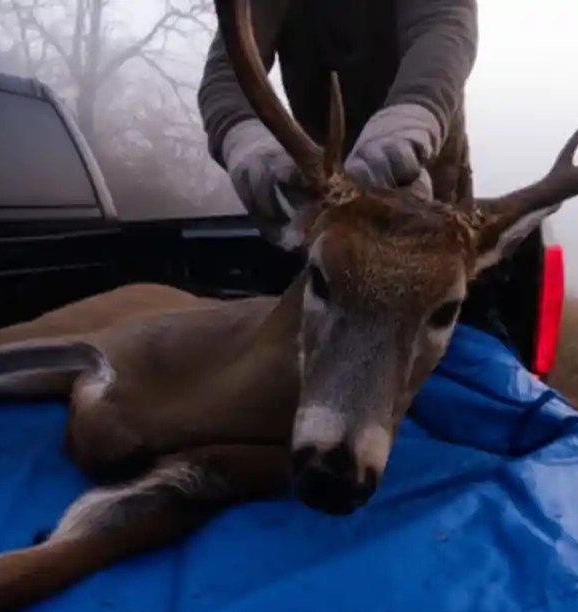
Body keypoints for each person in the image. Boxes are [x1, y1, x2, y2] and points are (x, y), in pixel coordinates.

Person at [197, 0, 540, 363]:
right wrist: (243, 136)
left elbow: (444, 28)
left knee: (461, 361)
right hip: (334, 221)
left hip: (431, 219)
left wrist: (411, 116)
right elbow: (226, 71)